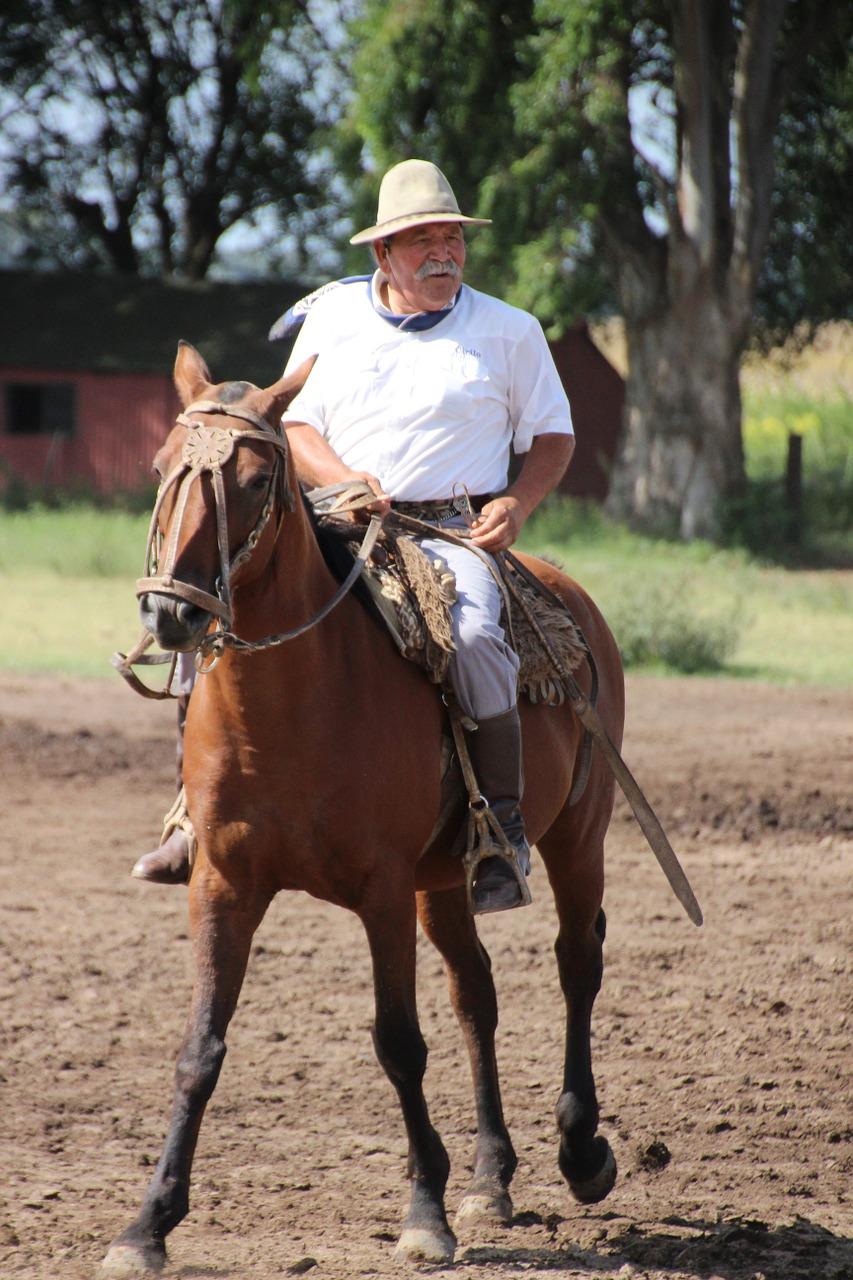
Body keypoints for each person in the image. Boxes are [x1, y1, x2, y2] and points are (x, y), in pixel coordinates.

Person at [135, 159, 575, 913]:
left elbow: (554, 437)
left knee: (471, 639)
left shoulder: (509, 331)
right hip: (335, 515)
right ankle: (189, 809)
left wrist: (517, 502)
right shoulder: (332, 320)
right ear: (383, 253)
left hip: (451, 529)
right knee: (210, 599)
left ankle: (498, 831)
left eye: (451, 239)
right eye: (421, 242)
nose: (442, 254)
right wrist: (341, 477)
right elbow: (291, 421)